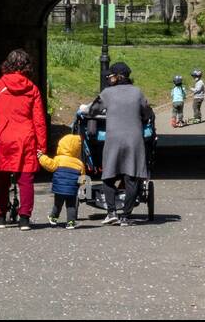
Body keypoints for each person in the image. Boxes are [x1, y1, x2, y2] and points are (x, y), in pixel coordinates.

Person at [0, 48, 48, 229]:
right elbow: (39, 120)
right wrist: (42, 147)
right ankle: (24, 218)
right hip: (25, 137)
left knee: (0, 179)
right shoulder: (32, 89)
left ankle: (0, 216)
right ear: (27, 67)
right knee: (25, 180)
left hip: (3, 136)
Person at [88, 60, 152, 226]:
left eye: (111, 75)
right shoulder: (138, 92)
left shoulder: (107, 93)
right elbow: (147, 113)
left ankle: (111, 212)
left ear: (117, 77)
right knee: (131, 177)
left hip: (114, 138)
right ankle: (126, 215)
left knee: (108, 176)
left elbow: (93, 110)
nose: (109, 78)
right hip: (134, 139)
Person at [39, 132, 85, 228]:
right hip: (72, 190)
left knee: (58, 204)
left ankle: (53, 218)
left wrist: (41, 157)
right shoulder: (79, 163)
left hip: (59, 188)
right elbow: (83, 178)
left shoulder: (59, 159)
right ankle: (71, 222)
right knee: (71, 206)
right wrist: (82, 187)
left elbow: (49, 165)